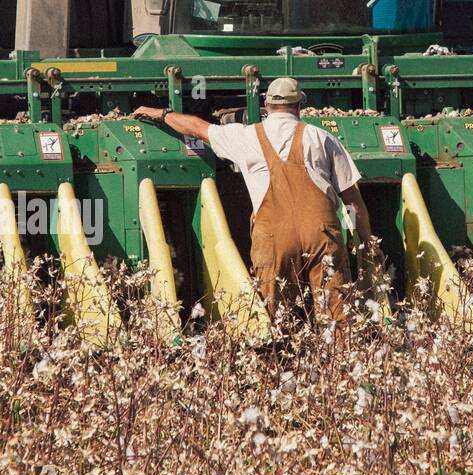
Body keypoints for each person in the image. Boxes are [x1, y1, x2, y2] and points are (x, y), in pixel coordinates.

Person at [133, 77, 372, 323]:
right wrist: (366, 243)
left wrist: (162, 113)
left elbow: (197, 127)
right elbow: (352, 201)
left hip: (273, 237)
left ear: (266, 105)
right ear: (300, 105)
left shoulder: (247, 137)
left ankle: (280, 358)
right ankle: (339, 355)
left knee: (276, 318)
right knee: (336, 314)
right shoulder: (322, 138)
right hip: (322, 235)